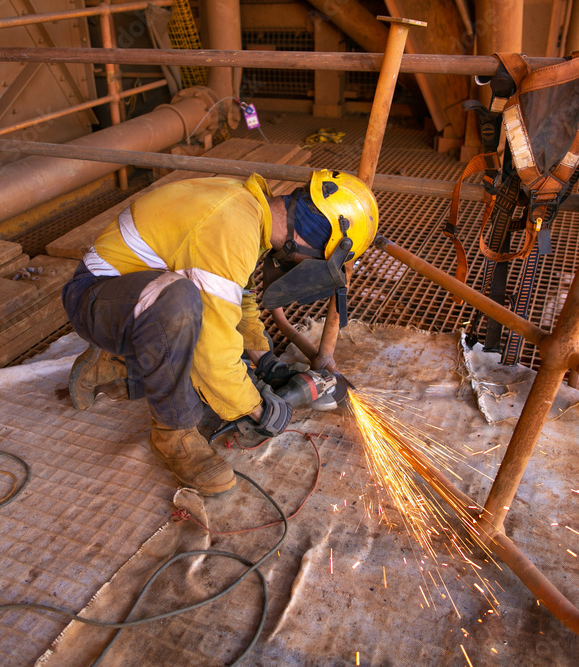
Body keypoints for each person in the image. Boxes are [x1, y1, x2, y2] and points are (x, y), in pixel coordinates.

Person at [61, 169, 378, 496]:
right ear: (312, 239)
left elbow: (239, 299)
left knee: (219, 340)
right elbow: (213, 353)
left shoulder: (249, 211)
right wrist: (257, 409)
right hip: (96, 298)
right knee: (184, 308)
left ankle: (120, 366)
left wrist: (266, 361)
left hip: (134, 298)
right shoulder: (230, 227)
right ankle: (173, 434)